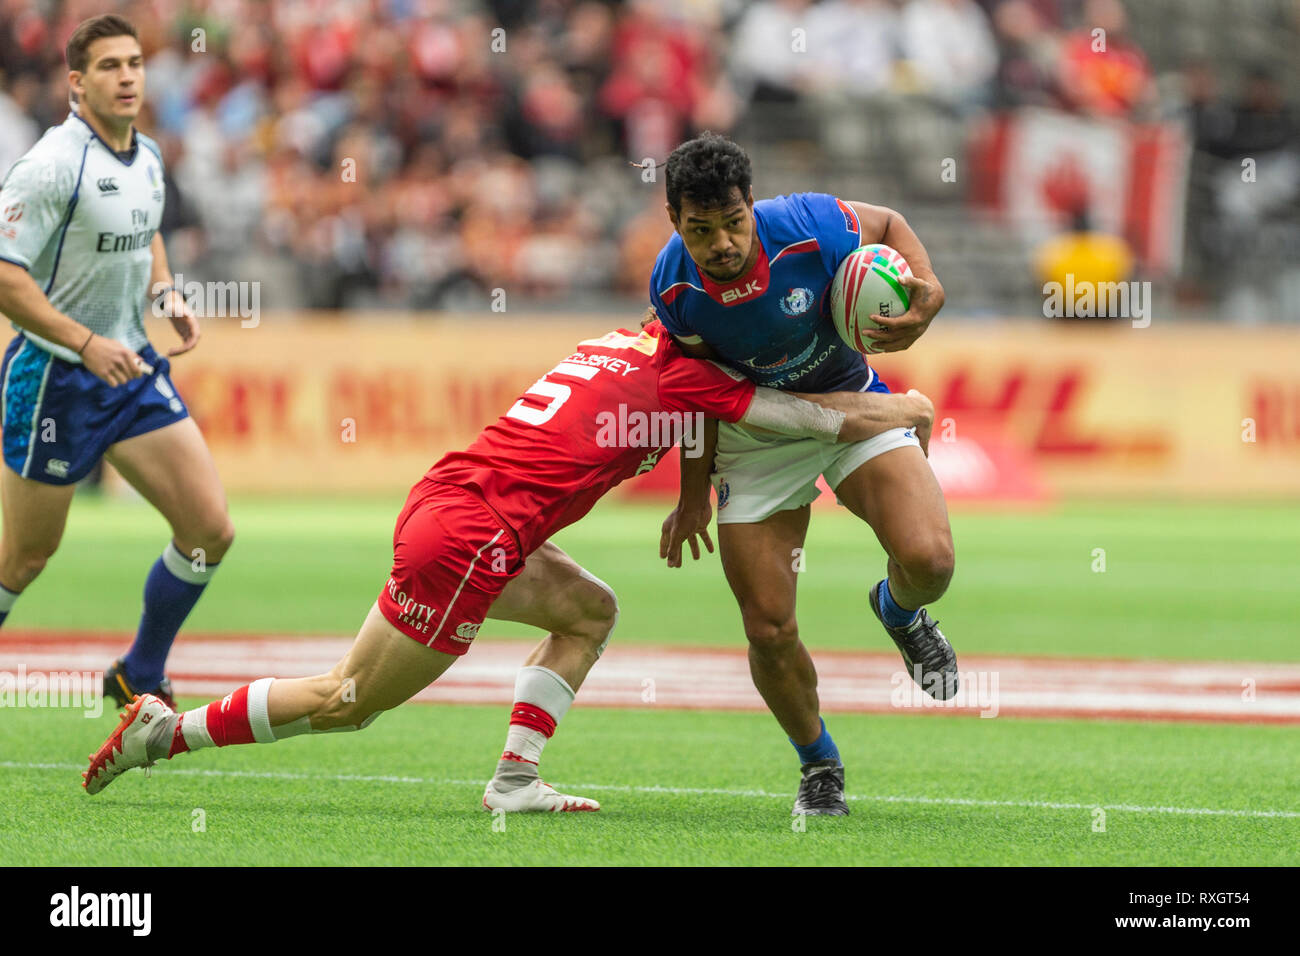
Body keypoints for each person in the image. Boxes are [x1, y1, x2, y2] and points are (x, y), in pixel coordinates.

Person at [83, 319, 936, 811]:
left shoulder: (616, 341)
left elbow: (682, 415)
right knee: (348, 701)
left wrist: (689, 495)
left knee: (589, 612)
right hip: (473, 538)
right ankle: (166, 732)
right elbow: (805, 418)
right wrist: (901, 408)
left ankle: (515, 780)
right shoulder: (693, 378)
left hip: (456, 503)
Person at [650, 132, 957, 816]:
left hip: (852, 403)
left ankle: (899, 610)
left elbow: (887, 225)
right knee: (767, 628)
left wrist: (928, 288)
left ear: (751, 204)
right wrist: (693, 495)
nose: (721, 244)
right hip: (757, 437)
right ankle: (819, 763)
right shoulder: (673, 287)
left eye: (733, 222)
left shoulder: (807, 223)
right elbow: (700, 393)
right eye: (700, 230)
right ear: (674, 220)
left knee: (931, 561)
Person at [0, 15, 234, 709]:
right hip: (53, 380)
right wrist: (84, 343)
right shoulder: (51, 165)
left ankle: (139, 672)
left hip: (129, 370)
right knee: (25, 558)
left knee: (208, 531)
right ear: (77, 82)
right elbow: (5, 275)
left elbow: (146, 230)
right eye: (109, 66)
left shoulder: (148, 155)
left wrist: (165, 292)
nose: (128, 76)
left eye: (134, 63)